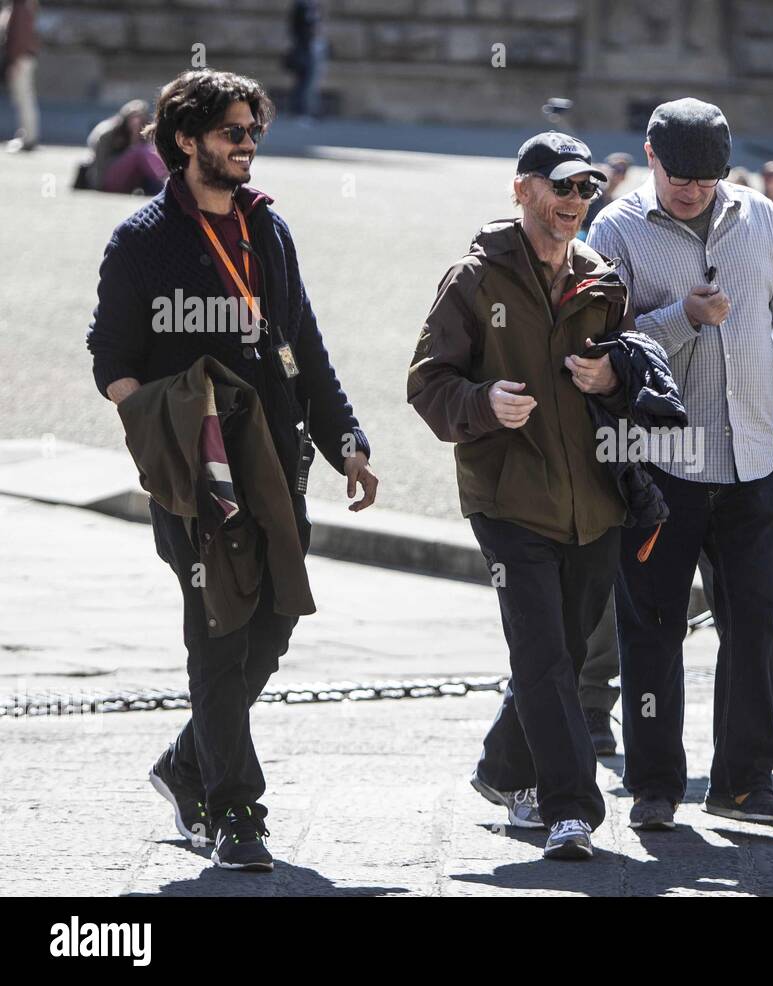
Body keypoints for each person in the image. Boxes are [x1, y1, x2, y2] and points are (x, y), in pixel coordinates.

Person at [86, 69, 378, 871]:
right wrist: (167, 431)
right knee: (219, 634)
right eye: (232, 132)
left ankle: (185, 764)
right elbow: (109, 359)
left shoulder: (267, 231)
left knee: (273, 624)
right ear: (187, 140)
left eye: (254, 131)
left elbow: (304, 349)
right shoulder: (143, 240)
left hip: (278, 470)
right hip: (198, 480)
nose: (248, 145)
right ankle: (234, 812)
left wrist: (346, 436)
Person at [588, 98, 773, 831]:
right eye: (678, 176)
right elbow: (603, 352)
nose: (691, 190)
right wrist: (682, 320)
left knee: (758, 627)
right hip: (661, 468)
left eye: (706, 177)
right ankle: (654, 787)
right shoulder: (614, 229)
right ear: (649, 155)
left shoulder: (760, 219)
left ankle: (742, 783)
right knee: (653, 630)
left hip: (755, 461)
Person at [408, 131, 636, 862]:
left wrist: (614, 378)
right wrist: (481, 402)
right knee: (541, 654)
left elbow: (634, 368)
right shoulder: (472, 280)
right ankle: (571, 808)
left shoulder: (602, 278)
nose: (574, 201)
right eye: (561, 186)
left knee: (564, 652)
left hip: (594, 500)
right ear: (522, 189)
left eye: (586, 188)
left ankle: (501, 769)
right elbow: (426, 382)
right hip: (508, 500)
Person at [579, 357, 773, 773]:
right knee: (623, 582)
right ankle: (591, 703)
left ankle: (764, 719)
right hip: (638, 434)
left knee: (747, 598)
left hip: (734, 451)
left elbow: (769, 342)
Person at [79, 100, 167, 195]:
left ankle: (163, 184)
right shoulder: (108, 133)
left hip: (129, 180)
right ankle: (163, 186)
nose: (136, 121)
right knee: (138, 152)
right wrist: (97, 185)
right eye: (133, 117)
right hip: (106, 179)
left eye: (140, 118)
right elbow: (99, 162)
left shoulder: (143, 134)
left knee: (147, 150)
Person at [2, 0, 39, 152]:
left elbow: (20, 35)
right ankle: (27, 135)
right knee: (23, 99)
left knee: (24, 99)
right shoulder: (21, 6)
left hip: (21, 59)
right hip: (22, 58)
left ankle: (29, 137)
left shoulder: (21, 7)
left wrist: (15, 60)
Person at [285, 0, 326, 120]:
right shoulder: (302, 7)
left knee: (310, 81)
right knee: (304, 81)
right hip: (305, 49)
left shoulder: (312, 7)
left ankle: (309, 110)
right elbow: (299, 29)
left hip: (313, 48)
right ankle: (301, 111)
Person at [579, 151, 632, 237]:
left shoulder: (613, 201)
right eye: (616, 168)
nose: (618, 173)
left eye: (622, 170)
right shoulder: (593, 193)